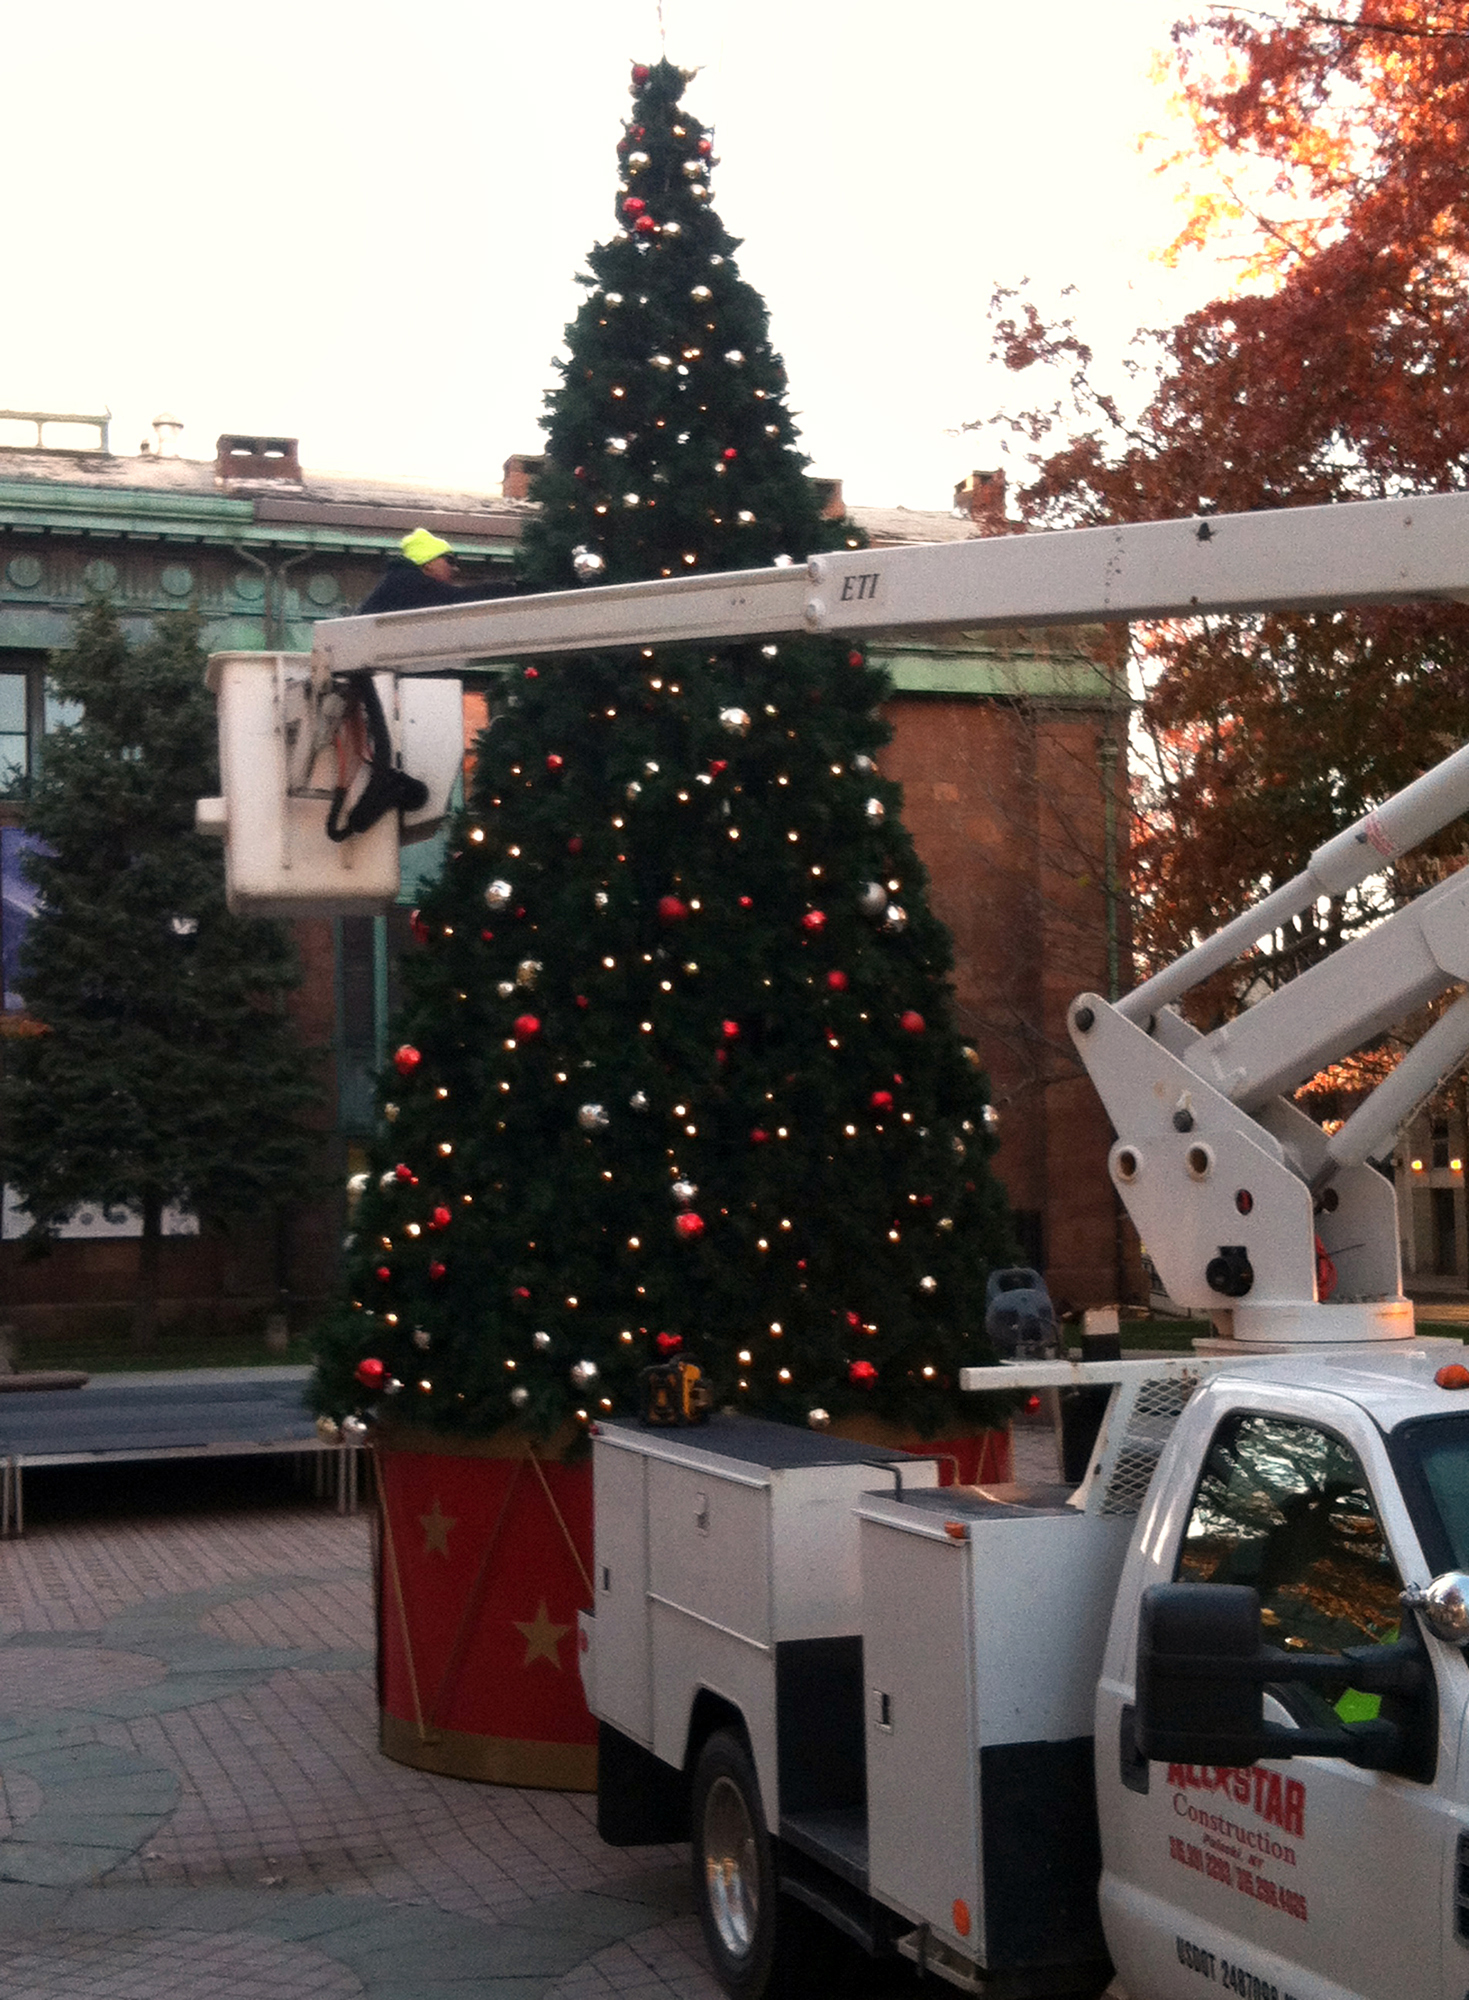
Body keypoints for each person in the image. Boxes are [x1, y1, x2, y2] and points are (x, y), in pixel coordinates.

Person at [357, 528, 516, 614]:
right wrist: (513, 589)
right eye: (449, 560)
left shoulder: (399, 580)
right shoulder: (410, 583)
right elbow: (462, 599)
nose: (455, 568)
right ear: (427, 563)